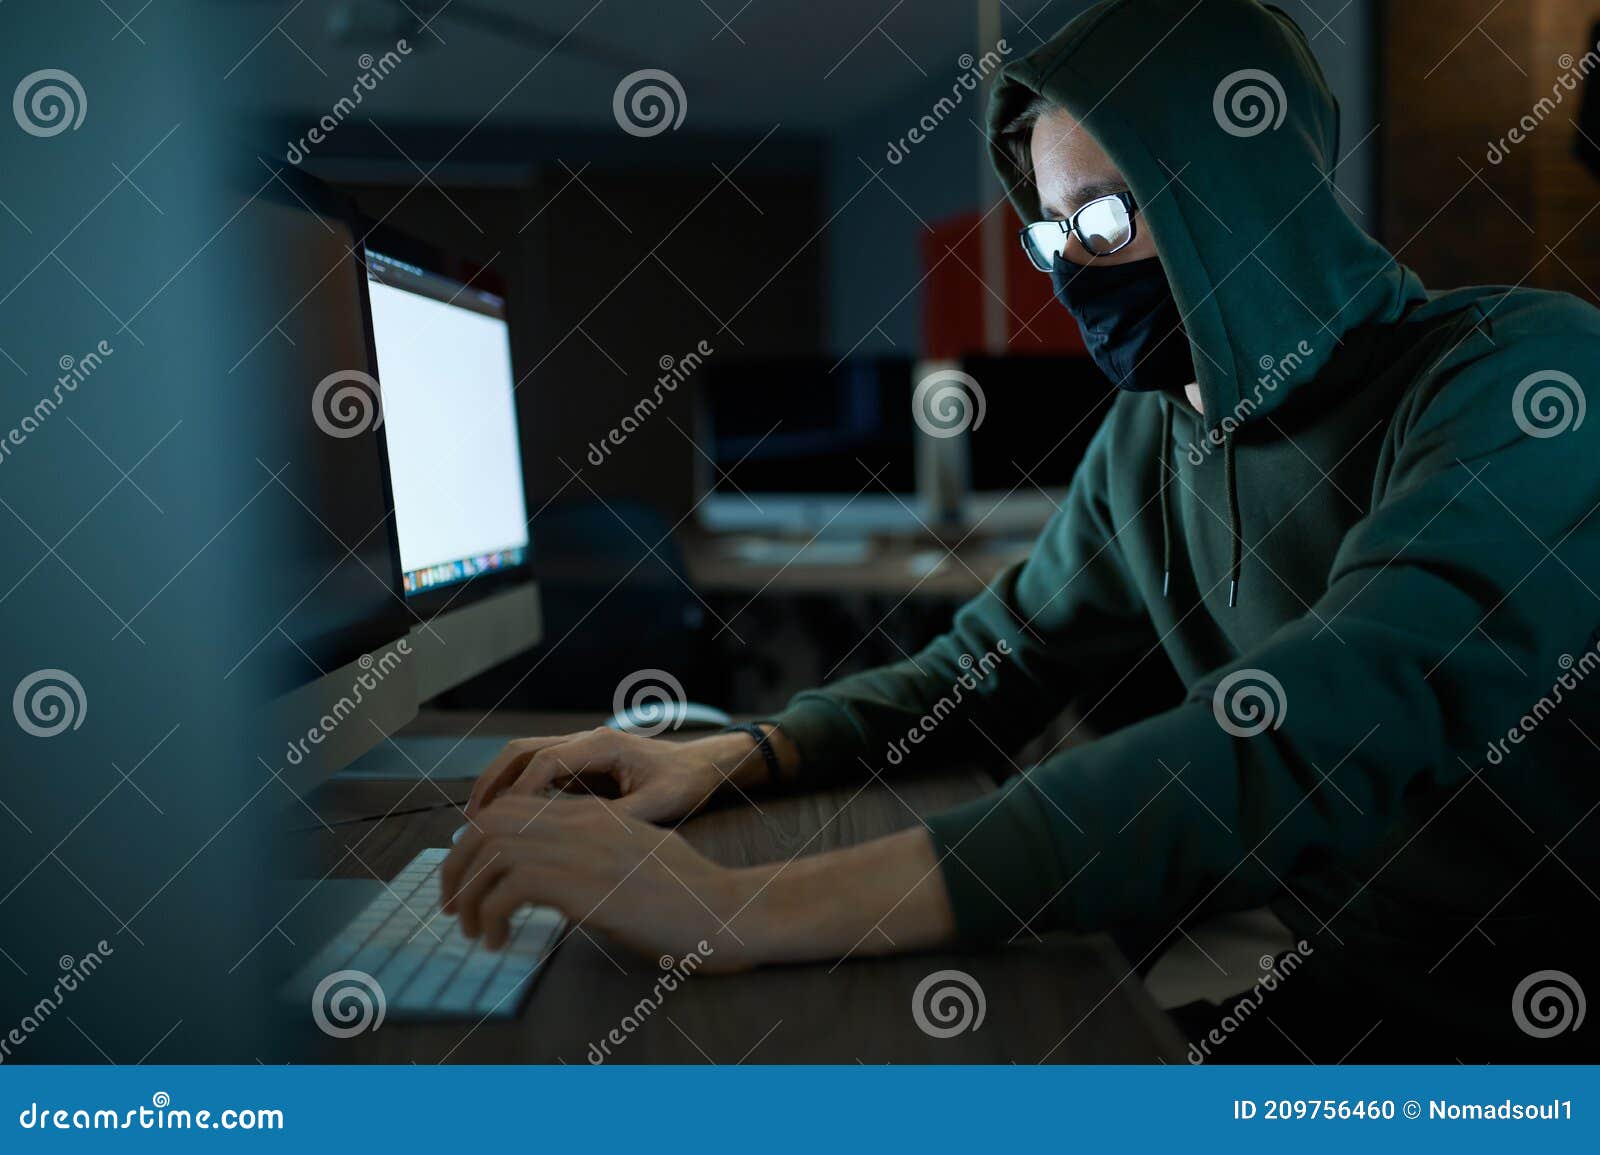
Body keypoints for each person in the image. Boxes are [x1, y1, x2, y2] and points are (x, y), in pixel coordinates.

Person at [443, 0, 1600, 1061]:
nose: (1073, 269)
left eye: (1106, 214)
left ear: (1238, 195)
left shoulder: (1523, 378)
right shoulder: (1149, 438)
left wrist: (734, 908)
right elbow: (988, 664)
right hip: (1344, 993)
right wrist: (741, 752)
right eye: (1053, 233)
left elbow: (1312, 731)